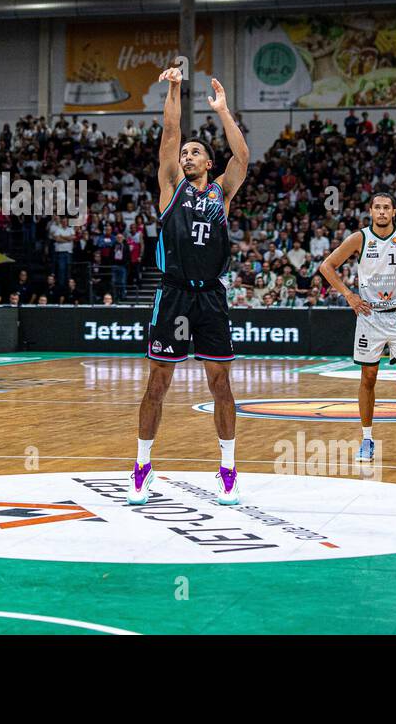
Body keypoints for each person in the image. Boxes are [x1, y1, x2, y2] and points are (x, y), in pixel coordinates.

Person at [130, 68, 249, 506]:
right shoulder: (170, 189)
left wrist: (223, 112)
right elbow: (170, 129)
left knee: (221, 384)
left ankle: (228, 469)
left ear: (208, 163)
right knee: (157, 383)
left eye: (196, 152)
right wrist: (175, 87)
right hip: (174, 293)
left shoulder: (222, 194)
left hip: (211, 296)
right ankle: (142, 465)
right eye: (184, 153)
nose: (187, 155)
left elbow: (243, 156)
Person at [320, 191, 396, 463]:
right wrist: (349, 295)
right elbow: (327, 266)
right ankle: (367, 438)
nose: (382, 212)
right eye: (377, 207)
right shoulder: (359, 238)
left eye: (386, 207)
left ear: (394, 212)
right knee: (368, 378)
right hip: (370, 317)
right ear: (371, 211)